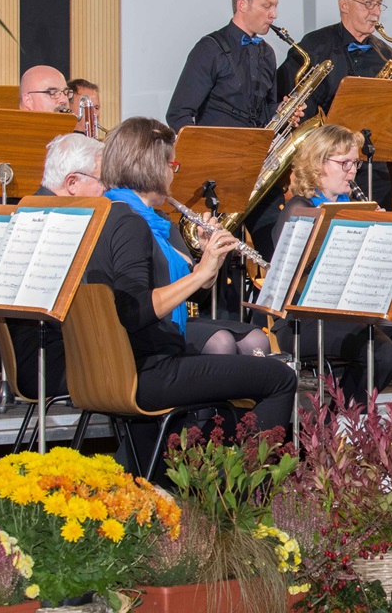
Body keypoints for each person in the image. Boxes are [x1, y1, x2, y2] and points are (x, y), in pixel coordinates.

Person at [84, 118, 297, 433]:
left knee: (245, 355)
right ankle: (248, 479)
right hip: (146, 369)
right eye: (173, 164)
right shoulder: (132, 225)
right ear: (155, 167)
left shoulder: (118, 214)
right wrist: (200, 273)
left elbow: (191, 295)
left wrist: (207, 260)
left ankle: (219, 464)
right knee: (280, 377)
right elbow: (133, 311)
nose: (174, 174)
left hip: (117, 365)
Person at [273, 124, 392, 407]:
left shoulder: (354, 205)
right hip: (306, 319)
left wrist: (387, 236)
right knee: (381, 354)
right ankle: (340, 426)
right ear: (317, 164)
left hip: (358, 313)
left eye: (356, 163)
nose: (352, 171)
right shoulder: (298, 207)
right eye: (344, 163)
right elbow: (292, 270)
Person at [166, 0, 291, 261]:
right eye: (267, 6)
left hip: (257, 170)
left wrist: (282, 114)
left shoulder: (267, 54)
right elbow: (179, 113)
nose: (273, 14)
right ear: (242, 4)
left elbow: (262, 116)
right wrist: (205, 161)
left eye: (275, 7)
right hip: (217, 176)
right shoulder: (209, 48)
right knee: (220, 263)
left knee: (275, 251)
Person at [276, 0, 392, 208]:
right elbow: (288, 107)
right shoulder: (313, 47)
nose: (375, 12)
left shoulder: (386, 54)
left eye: (379, 4)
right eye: (367, 3)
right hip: (324, 173)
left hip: (372, 170)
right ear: (344, 5)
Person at [7, 133, 106, 398]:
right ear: (72, 182)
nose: (107, 189)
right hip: (51, 363)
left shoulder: (29, 210)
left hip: (39, 358)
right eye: (103, 180)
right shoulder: (54, 224)